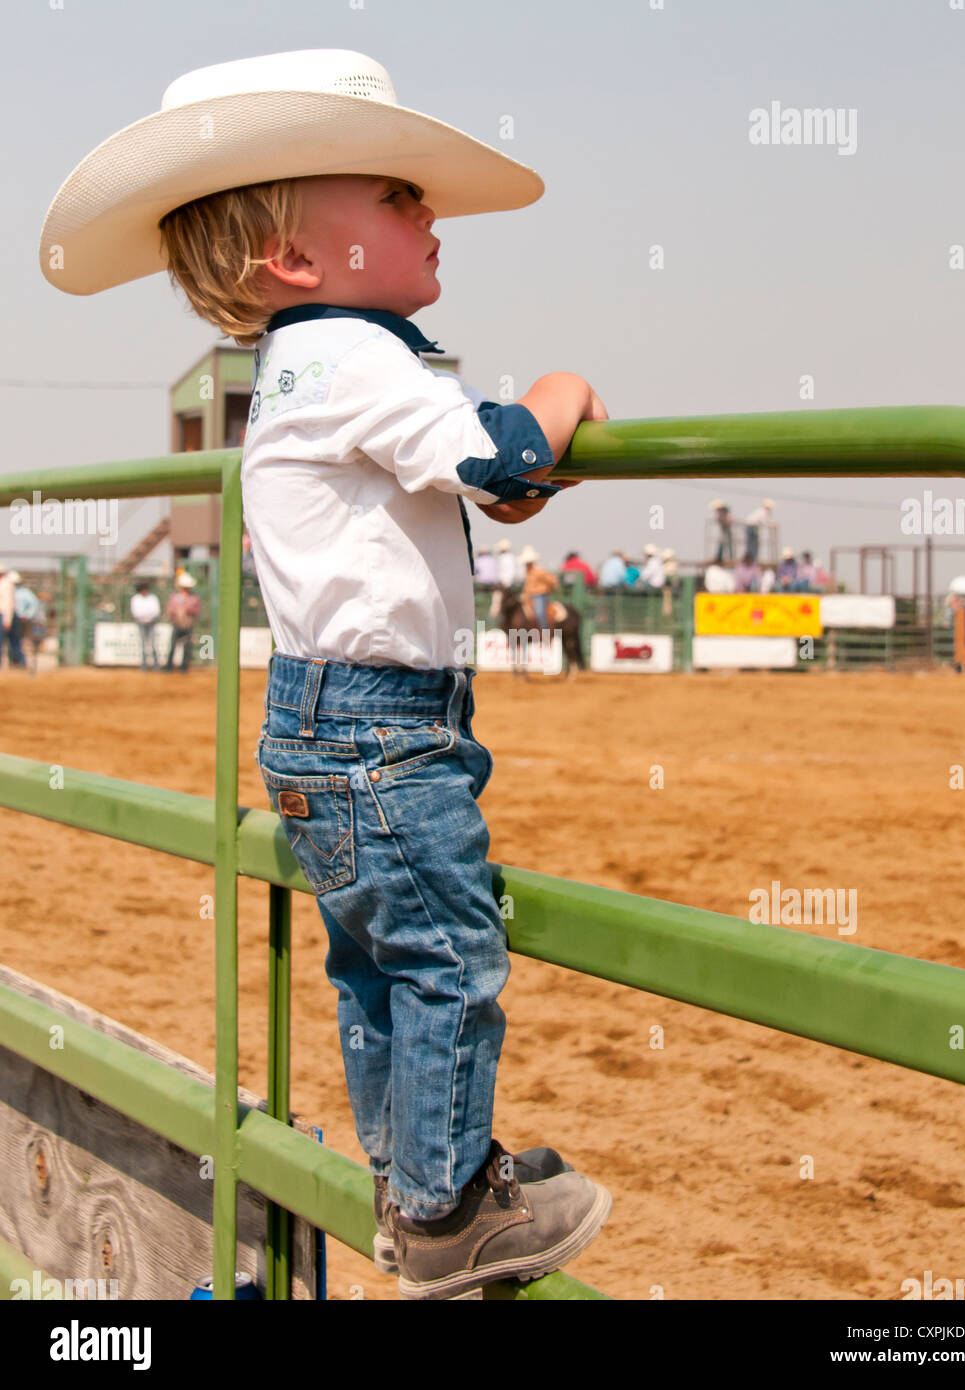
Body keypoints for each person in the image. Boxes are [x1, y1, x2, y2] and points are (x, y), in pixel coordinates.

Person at [41, 49, 612, 1300]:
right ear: (298, 261)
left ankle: (414, 1183)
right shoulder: (361, 355)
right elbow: (503, 459)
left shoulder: (305, 371)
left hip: (322, 719)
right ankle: (450, 1206)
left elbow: (440, 483)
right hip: (381, 729)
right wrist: (565, 394)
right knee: (450, 957)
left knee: (375, 964)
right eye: (399, 196)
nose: (429, 212)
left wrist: (496, 472)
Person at [162, 573, 201, 672]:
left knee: (187, 647)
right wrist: (174, 616)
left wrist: (189, 610)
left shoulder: (194, 598)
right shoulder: (175, 597)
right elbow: (170, 609)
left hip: (188, 624)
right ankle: (169, 665)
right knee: (173, 646)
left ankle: (184, 667)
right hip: (177, 624)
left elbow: (197, 611)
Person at [518, 545, 558, 630]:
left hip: (540, 596)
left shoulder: (539, 571)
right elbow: (527, 587)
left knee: (539, 613)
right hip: (529, 597)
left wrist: (547, 589)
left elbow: (552, 580)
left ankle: (545, 631)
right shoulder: (527, 573)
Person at [130, 580, 161, 669]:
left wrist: (150, 618)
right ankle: (144, 664)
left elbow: (156, 611)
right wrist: (142, 618)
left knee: (153, 643)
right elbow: (135, 612)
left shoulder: (152, 598)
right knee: (143, 643)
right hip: (141, 622)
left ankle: (156, 664)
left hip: (152, 622)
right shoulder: (136, 599)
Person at [0, 568, 27, 669]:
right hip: (7, 615)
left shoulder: (6, 585)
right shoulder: (5, 584)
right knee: (14, 641)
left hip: (6, 615)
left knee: (13, 641)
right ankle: (19, 662)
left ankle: (20, 662)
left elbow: (8, 603)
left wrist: (7, 620)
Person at [744, 498, 773, 564]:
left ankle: (751, 558)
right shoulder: (763, 512)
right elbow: (765, 522)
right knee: (753, 544)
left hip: (750, 527)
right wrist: (771, 525)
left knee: (751, 544)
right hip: (752, 527)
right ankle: (752, 558)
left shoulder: (760, 511)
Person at [710, 498, 734, 564]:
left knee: (726, 543)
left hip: (726, 529)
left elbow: (725, 520)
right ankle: (720, 556)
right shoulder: (724, 512)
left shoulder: (723, 512)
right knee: (724, 543)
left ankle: (726, 557)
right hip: (725, 529)